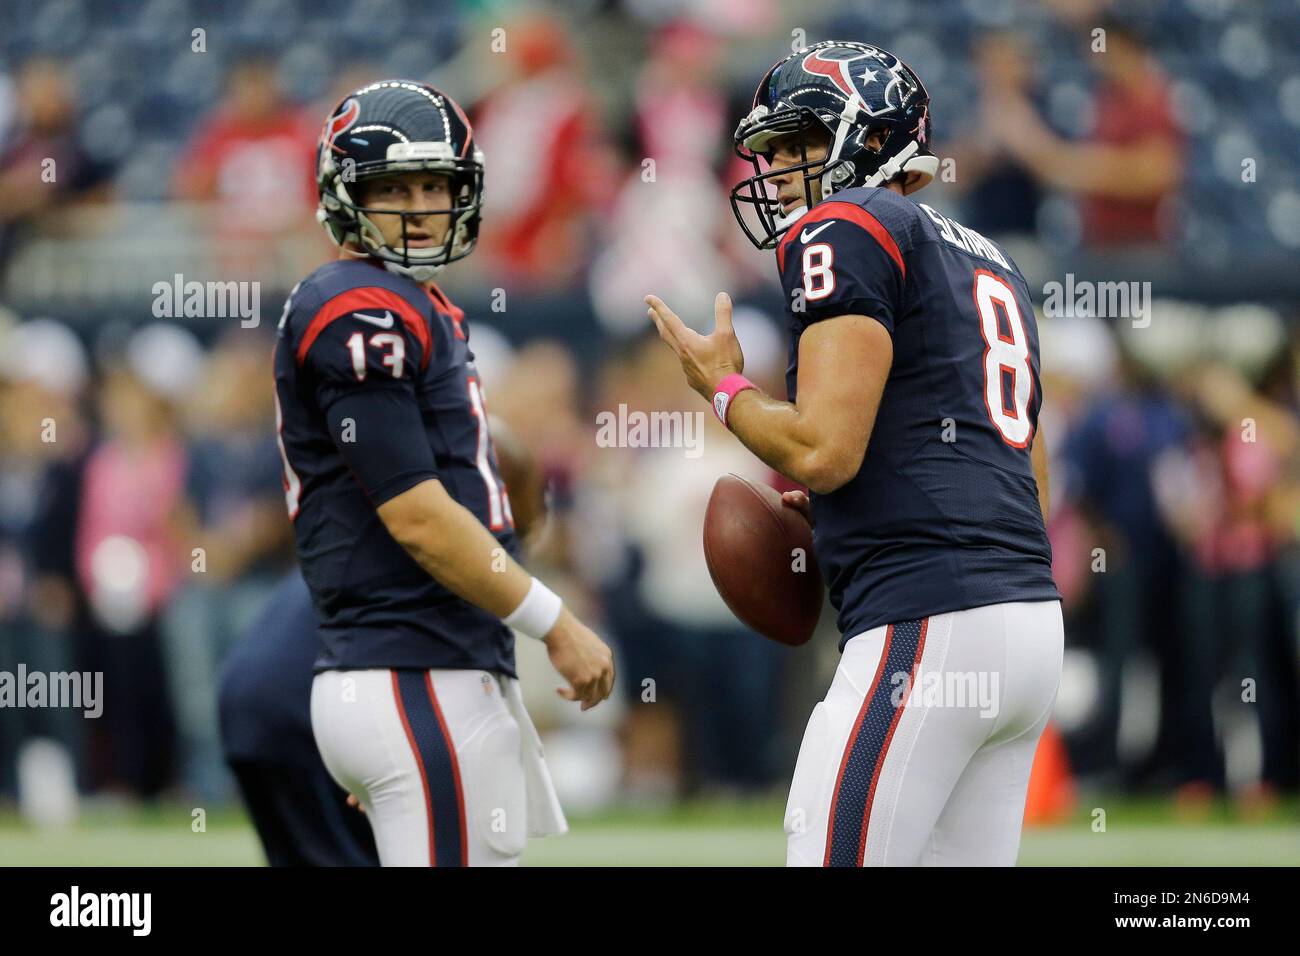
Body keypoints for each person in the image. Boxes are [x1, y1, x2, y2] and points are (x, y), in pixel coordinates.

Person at [647, 41, 1062, 866]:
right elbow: (1026, 478)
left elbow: (822, 451)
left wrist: (724, 388)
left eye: (796, 145)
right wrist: (868, 501)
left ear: (867, 139)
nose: (776, 170)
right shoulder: (991, 257)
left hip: (927, 626)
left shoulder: (850, 223)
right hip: (1026, 626)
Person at [274, 79, 614, 866]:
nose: (421, 204)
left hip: (409, 670)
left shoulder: (404, 302)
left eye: (436, 184)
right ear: (344, 194)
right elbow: (416, 516)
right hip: (413, 668)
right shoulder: (359, 305)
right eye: (394, 187)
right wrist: (553, 623)